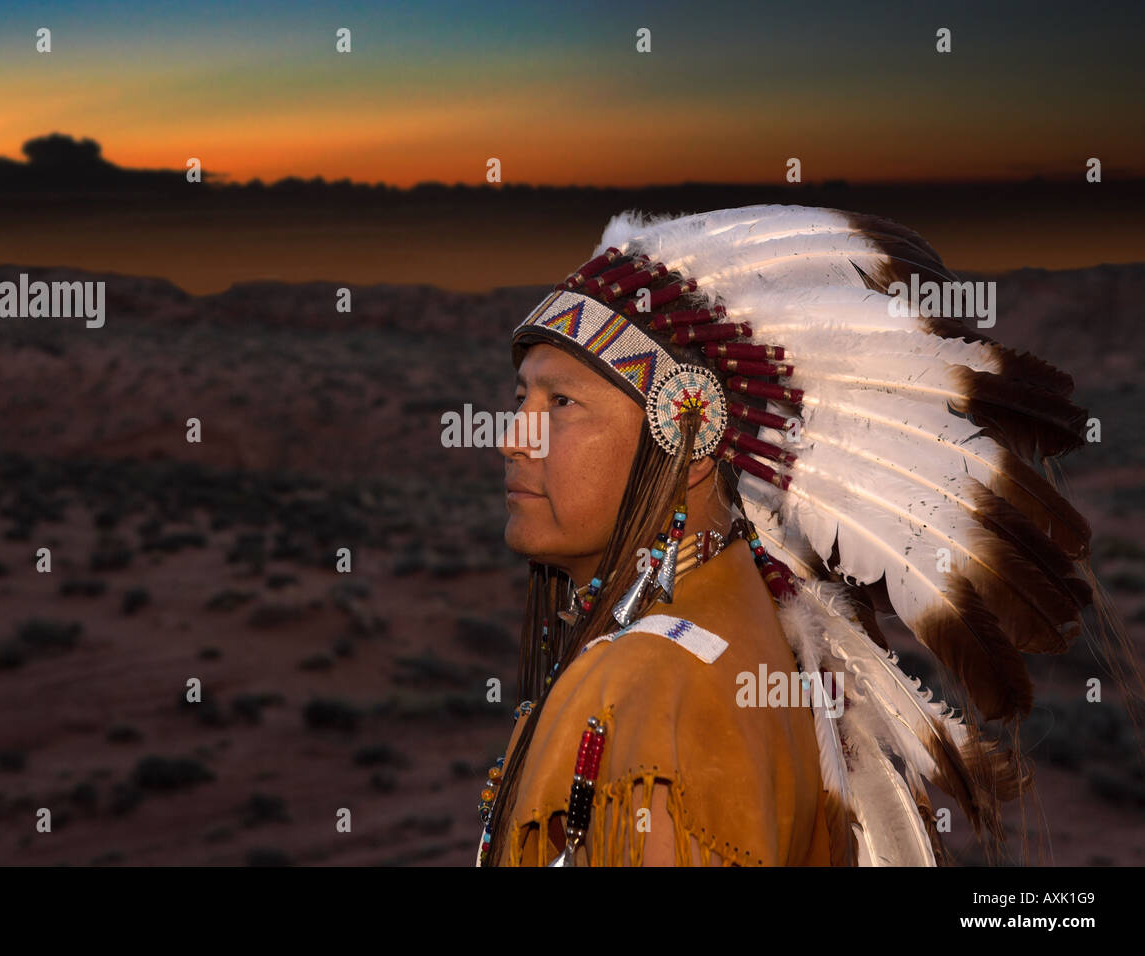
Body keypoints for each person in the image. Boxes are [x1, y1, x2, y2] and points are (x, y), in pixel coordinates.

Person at [474, 204, 1138, 867]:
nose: (513, 439)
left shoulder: (651, 687)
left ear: (688, 431)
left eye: (560, 404)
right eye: (519, 400)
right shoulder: (736, 612)